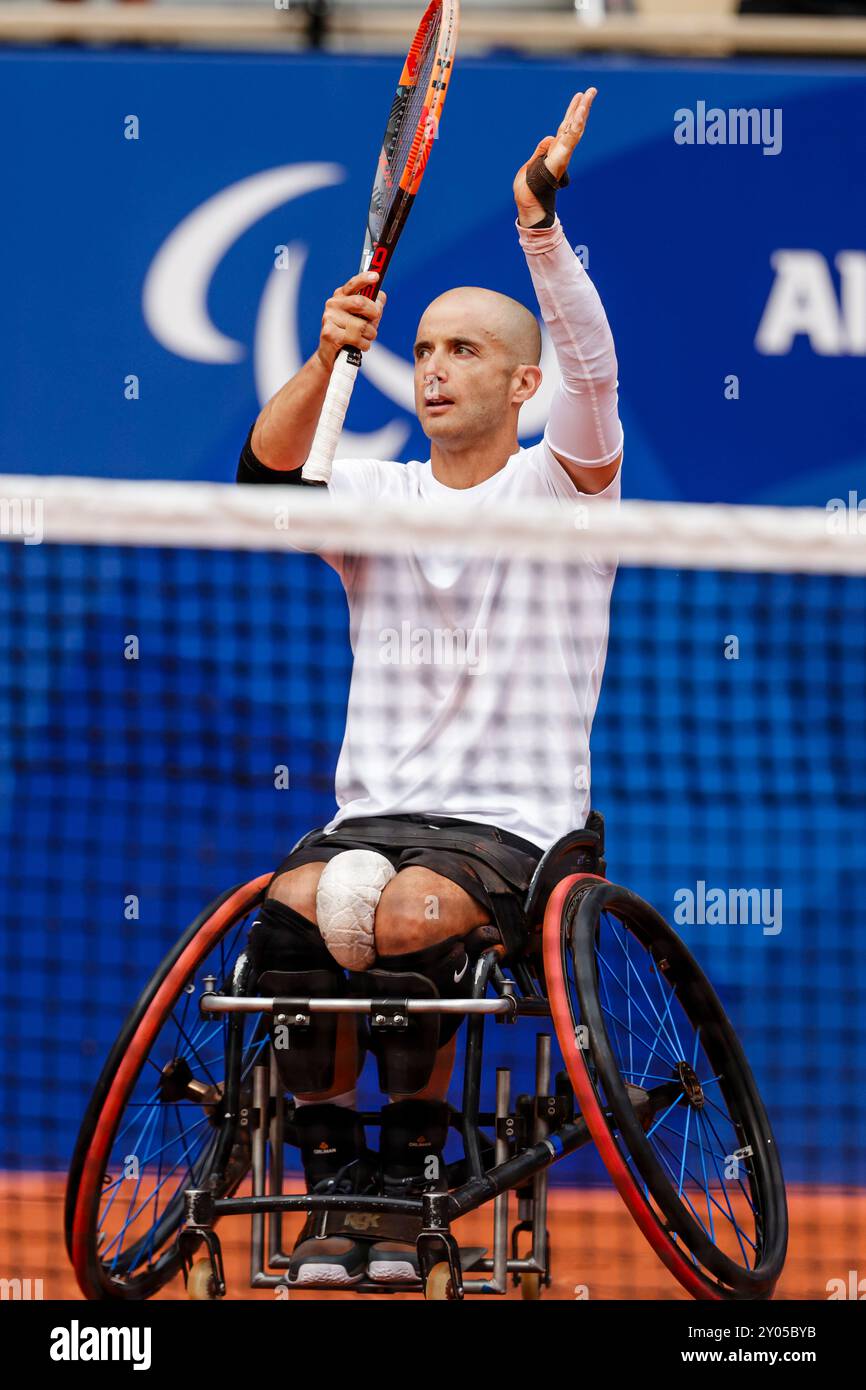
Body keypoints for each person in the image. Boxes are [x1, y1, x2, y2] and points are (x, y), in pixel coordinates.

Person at [236, 89, 623, 1287]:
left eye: (464, 351)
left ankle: (406, 1171)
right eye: (422, 350)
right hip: (371, 819)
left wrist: (538, 231)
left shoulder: (563, 489)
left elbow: (594, 367)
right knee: (297, 920)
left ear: (521, 388)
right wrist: (321, 358)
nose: (436, 366)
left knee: (400, 921)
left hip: (512, 831)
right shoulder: (380, 495)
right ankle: (330, 1182)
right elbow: (262, 485)